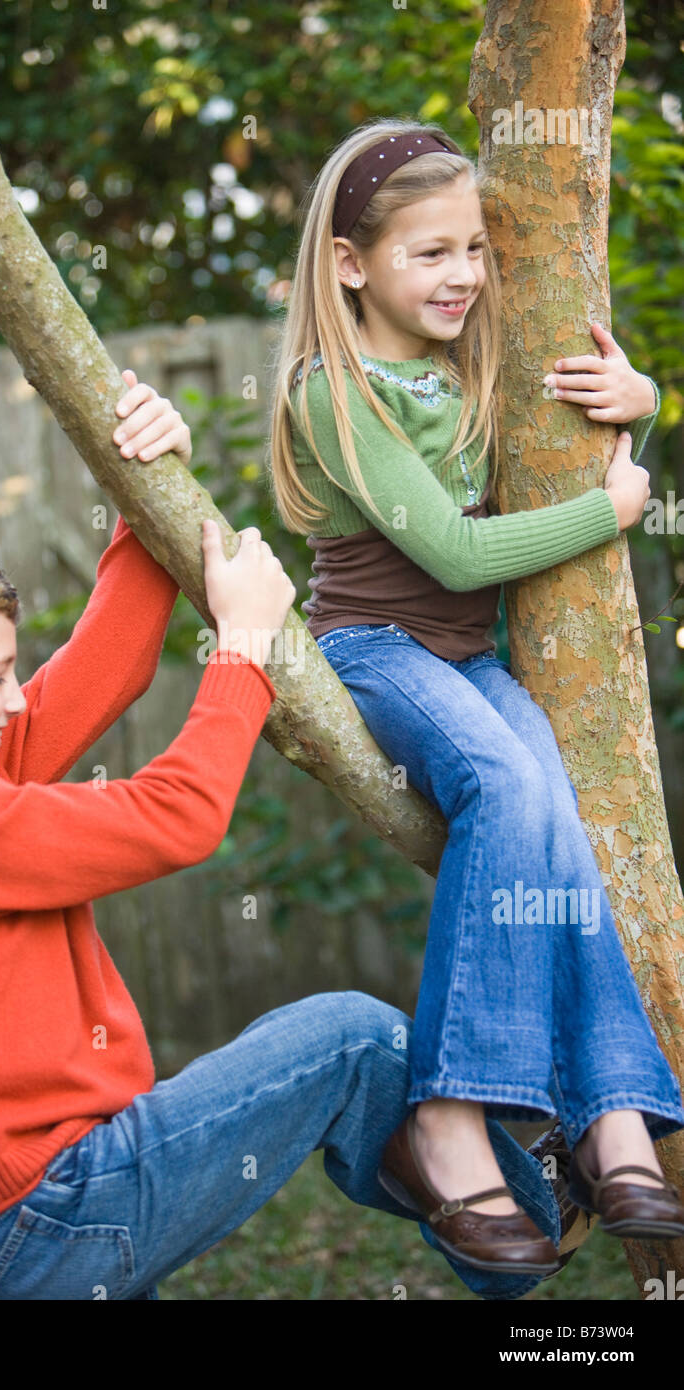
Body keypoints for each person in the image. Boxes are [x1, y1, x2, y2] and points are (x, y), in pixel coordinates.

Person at [0, 369, 569, 1302]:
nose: (21, 700)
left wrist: (149, 491)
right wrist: (243, 650)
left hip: (25, 1217)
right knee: (351, 1040)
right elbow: (177, 817)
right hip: (40, 1217)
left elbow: (103, 670)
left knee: (351, 1050)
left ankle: (491, 1202)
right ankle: (541, 1215)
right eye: (0, 678)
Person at [267, 117, 684, 1275]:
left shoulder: (471, 363)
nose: (460, 276)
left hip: (470, 664)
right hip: (377, 649)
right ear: (349, 264)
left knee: (554, 818)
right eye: (427, 253)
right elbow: (453, 553)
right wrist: (605, 514)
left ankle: (607, 1117)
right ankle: (447, 1111)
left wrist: (639, 398)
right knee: (507, 781)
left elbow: (572, 428)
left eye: (472, 252)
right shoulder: (330, 392)